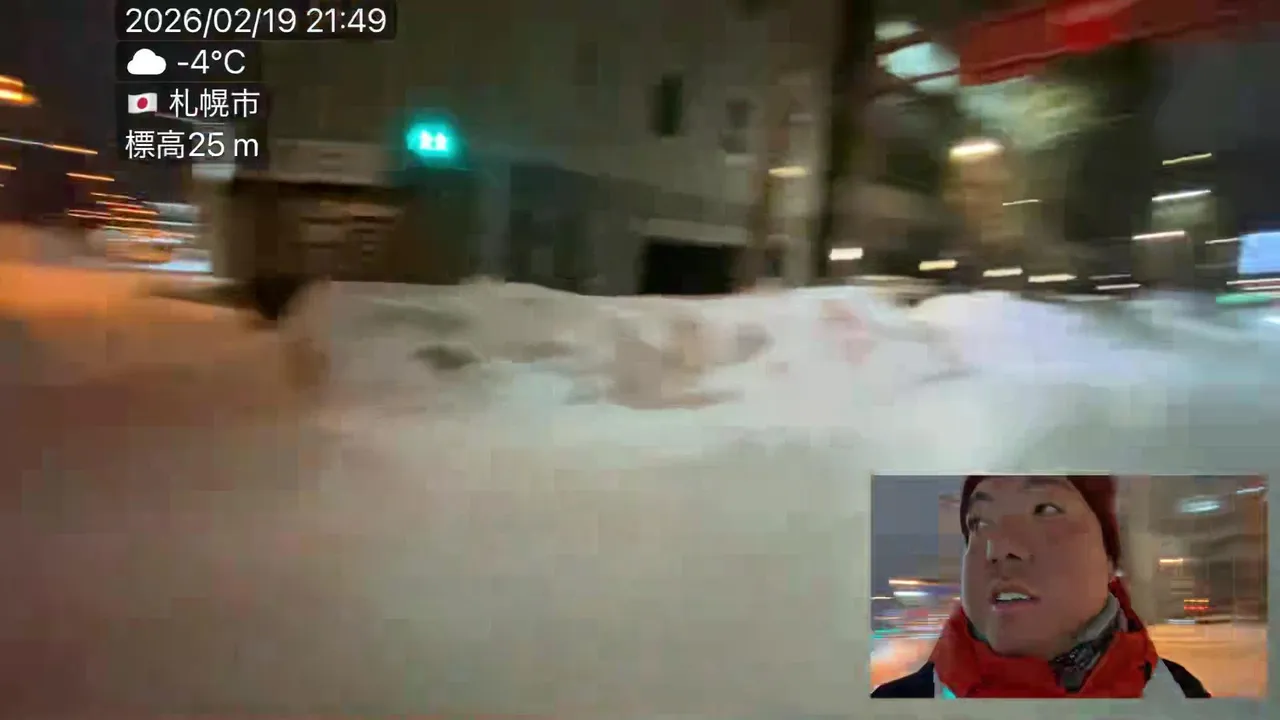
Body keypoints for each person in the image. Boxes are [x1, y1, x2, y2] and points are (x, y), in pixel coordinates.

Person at [873, 474, 1210, 699]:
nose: (998, 547)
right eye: (980, 522)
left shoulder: (1181, 694)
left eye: (1046, 510)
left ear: (1109, 558)